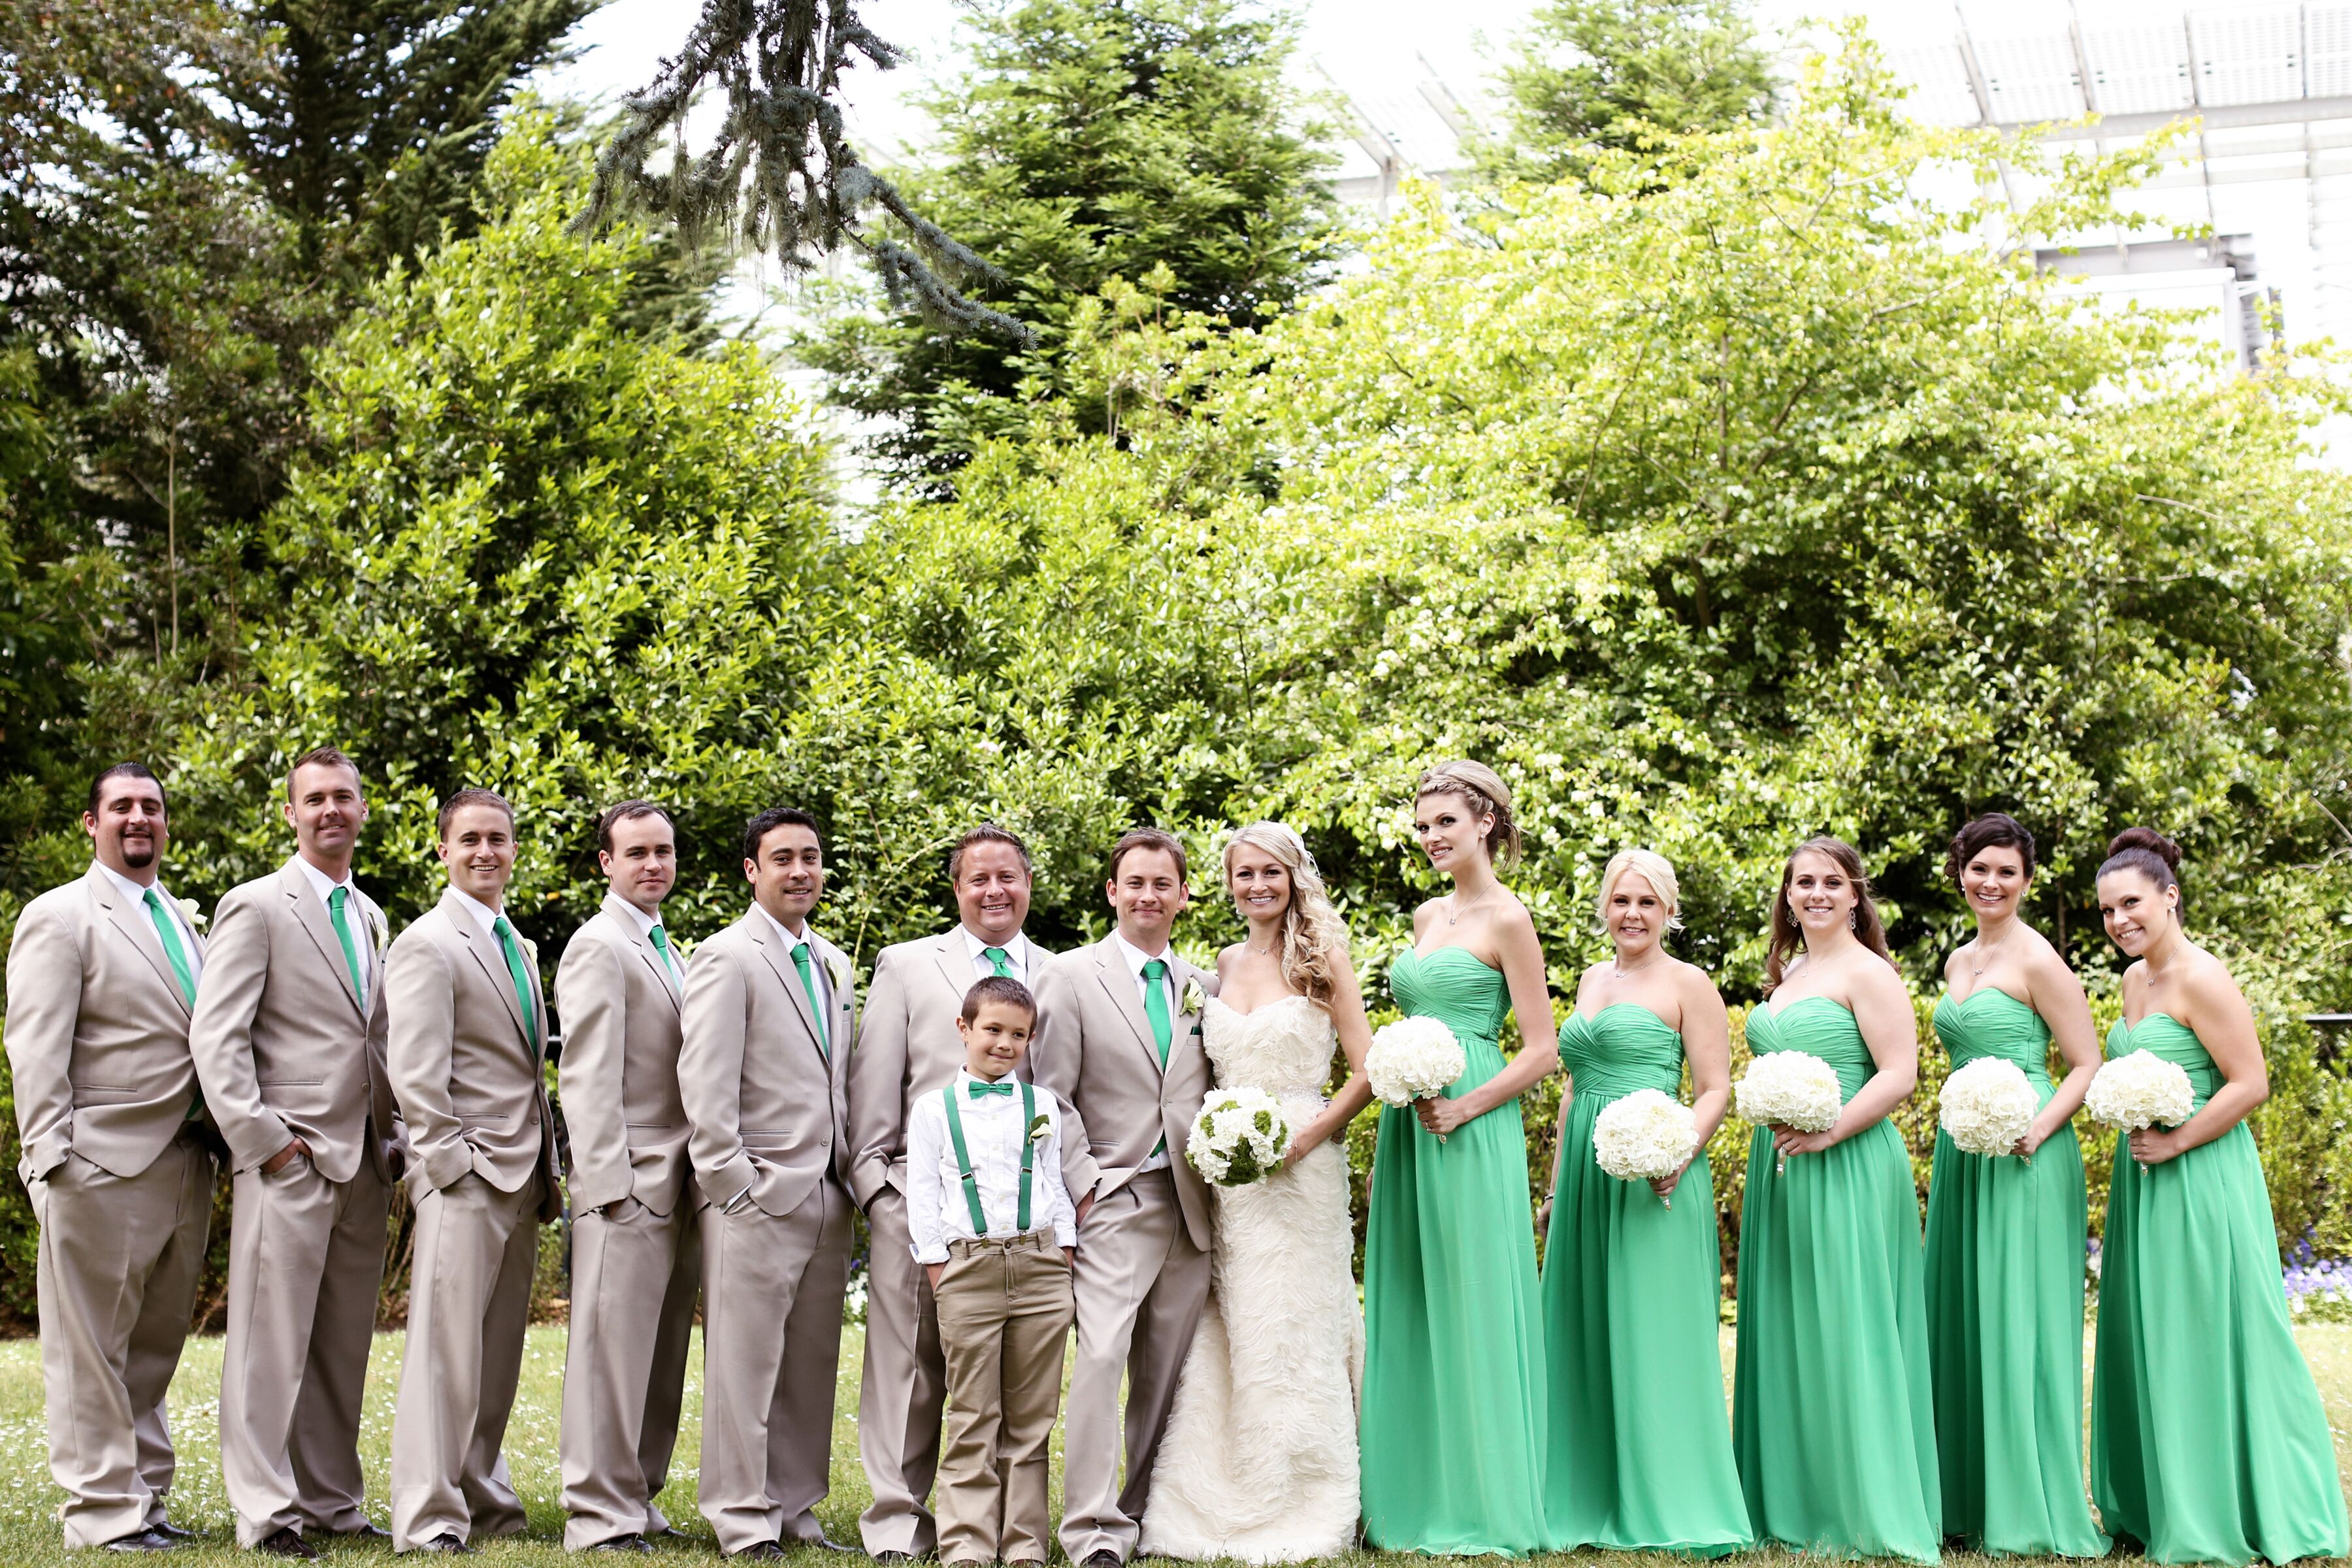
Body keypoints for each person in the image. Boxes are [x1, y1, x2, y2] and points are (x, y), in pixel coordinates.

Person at [2089, 827, 2350, 1563]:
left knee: (2215, 1335)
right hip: (2145, 1186)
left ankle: (2254, 1509)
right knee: (2155, 1336)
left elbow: (2250, 1082)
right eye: (2108, 910)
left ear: (2170, 896)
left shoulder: (2202, 977)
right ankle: (2160, 1503)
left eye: (2131, 904)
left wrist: (2175, 1142)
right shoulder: (2136, 980)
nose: (2119, 922)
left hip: (2201, 1179)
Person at [189, 746, 406, 1559]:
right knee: (267, 1345)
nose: (330, 811)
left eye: (343, 797)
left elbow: (374, 1038)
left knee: (340, 1343)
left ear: (361, 808)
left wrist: (394, 1135)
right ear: (290, 813)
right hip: (291, 1156)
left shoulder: (371, 913)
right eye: (313, 799)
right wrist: (264, 1143)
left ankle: (331, 1501)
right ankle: (267, 1512)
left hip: (364, 1161)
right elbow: (218, 1038)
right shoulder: (254, 906)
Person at [1141, 822, 1372, 1563]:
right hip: (1232, 1177)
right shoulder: (1221, 964)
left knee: (1298, 1320)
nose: (1258, 887)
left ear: (1293, 877)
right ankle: (1217, 1490)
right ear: (1229, 883)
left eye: (1271, 873)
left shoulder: (1324, 959)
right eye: (1244, 875)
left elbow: (1367, 1073)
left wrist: (1307, 1137)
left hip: (1303, 1167)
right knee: (1237, 1318)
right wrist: (1218, 1138)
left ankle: (1307, 1490)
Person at [5, 762, 217, 1553]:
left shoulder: (185, 922)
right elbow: (34, 1047)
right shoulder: (60, 918)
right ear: (91, 825)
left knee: (153, 1350)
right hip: (97, 1165)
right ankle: (101, 1512)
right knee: (89, 1351)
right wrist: (51, 1163)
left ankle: (145, 1502)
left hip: (186, 1161)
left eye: (152, 808)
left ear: (166, 824)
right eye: (121, 807)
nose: (139, 818)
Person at [1359, 760, 1560, 1556]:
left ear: (1487, 824)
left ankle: (1487, 1501)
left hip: (1471, 1121)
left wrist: (1468, 1106)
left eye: (1445, 821)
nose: (1431, 837)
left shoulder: (1509, 920)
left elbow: (1541, 1051)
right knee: (1411, 1296)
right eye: (1423, 824)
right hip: (1411, 1122)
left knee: (1472, 1298)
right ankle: (1411, 1495)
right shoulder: (1423, 916)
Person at [845, 823, 1055, 1563]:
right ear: (957, 888)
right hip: (917, 1199)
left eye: (1009, 877)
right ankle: (899, 1524)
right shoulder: (906, 966)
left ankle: (1004, 1530)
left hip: (1021, 1225)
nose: (995, 891)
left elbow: (1067, 1099)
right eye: (979, 879)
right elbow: (874, 1088)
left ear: (1029, 885)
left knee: (1010, 1380)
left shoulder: (1058, 972)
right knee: (910, 1370)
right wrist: (879, 1194)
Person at [1731, 836, 1938, 1563]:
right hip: (1782, 1165)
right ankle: (1793, 1496)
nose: (1815, 893)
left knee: (1848, 1320)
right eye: (1802, 883)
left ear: (1855, 895)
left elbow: (1899, 1074)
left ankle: (1862, 1503)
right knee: (1791, 1322)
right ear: (1788, 896)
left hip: (1847, 1157)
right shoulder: (1787, 975)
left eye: (1830, 882)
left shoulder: (1869, 972)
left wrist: (1830, 1133)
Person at [1538, 849, 1750, 1556]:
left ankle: (1670, 1497)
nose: (1633, 914)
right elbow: (1574, 1086)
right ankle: (1584, 1491)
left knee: (1652, 1335)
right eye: (1623, 900)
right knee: (1582, 1330)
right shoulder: (1593, 978)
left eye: (1648, 903)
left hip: (1653, 1175)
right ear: (1606, 906)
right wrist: (1558, 1182)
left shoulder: (1690, 983)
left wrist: (1678, 1152)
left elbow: (1714, 1088)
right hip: (1586, 1185)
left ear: (1668, 912)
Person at [1030, 828, 1218, 1568]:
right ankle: (1090, 1529)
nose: (1147, 895)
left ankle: (1139, 1514)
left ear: (1182, 895)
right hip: (1112, 1199)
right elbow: (1048, 1092)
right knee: (1103, 1356)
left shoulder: (1204, 984)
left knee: (1167, 1372)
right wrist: (1083, 1186)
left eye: (1161, 884)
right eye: (1133, 883)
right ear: (1112, 892)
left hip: (1193, 1207)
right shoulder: (1072, 976)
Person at [384, 786, 564, 1554]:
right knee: (445, 1353)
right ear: (443, 851)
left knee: (496, 1353)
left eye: (498, 839)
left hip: (521, 1173)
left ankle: (482, 1492)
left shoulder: (516, 945)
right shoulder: (427, 942)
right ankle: (428, 1515)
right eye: (470, 841)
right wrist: (450, 1164)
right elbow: (416, 1071)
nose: (485, 852)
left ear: (513, 849)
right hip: (466, 1173)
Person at [1922, 814, 2106, 1557]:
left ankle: (2032, 1506)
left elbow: (2087, 1062)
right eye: (1979, 868)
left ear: (2027, 882)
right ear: (1959, 873)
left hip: (2030, 1151)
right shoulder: (1959, 961)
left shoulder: (2039, 961)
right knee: (1964, 1317)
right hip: (1966, 1150)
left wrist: (2035, 1128)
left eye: (2006, 871)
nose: (1991, 882)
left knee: (2019, 1322)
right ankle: (1965, 1499)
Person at [680, 806, 858, 1560]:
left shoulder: (835, 963)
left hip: (827, 1191)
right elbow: (705, 1076)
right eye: (781, 858)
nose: (799, 871)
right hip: (756, 1192)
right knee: (744, 1367)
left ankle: (794, 1507)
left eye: (810, 857)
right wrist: (731, 1180)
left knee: (810, 1364)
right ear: (752, 871)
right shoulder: (726, 956)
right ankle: (740, 1515)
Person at [554, 800, 698, 1552]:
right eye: (636, 852)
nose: (653, 865)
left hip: (676, 1179)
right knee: (611, 1357)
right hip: (628, 1182)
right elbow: (585, 1075)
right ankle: (598, 1514)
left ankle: (638, 1496)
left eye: (664, 852)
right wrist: (608, 1187)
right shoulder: (598, 946)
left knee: (659, 1353)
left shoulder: (666, 946)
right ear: (605, 863)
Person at [905, 977, 1078, 1568]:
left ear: (1031, 1040)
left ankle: (1025, 1544)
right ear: (964, 1029)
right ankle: (966, 1545)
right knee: (974, 1412)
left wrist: (1064, 1252)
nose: (1004, 1044)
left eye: (1018, 1035)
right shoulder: (933, 1110)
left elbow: (1053, 1181)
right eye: (993, 1030)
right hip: (968, 1269)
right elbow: (923, 1195)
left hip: (1039, 1265)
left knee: (1032, 1418)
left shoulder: (1043, 1104)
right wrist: (939, 1271)